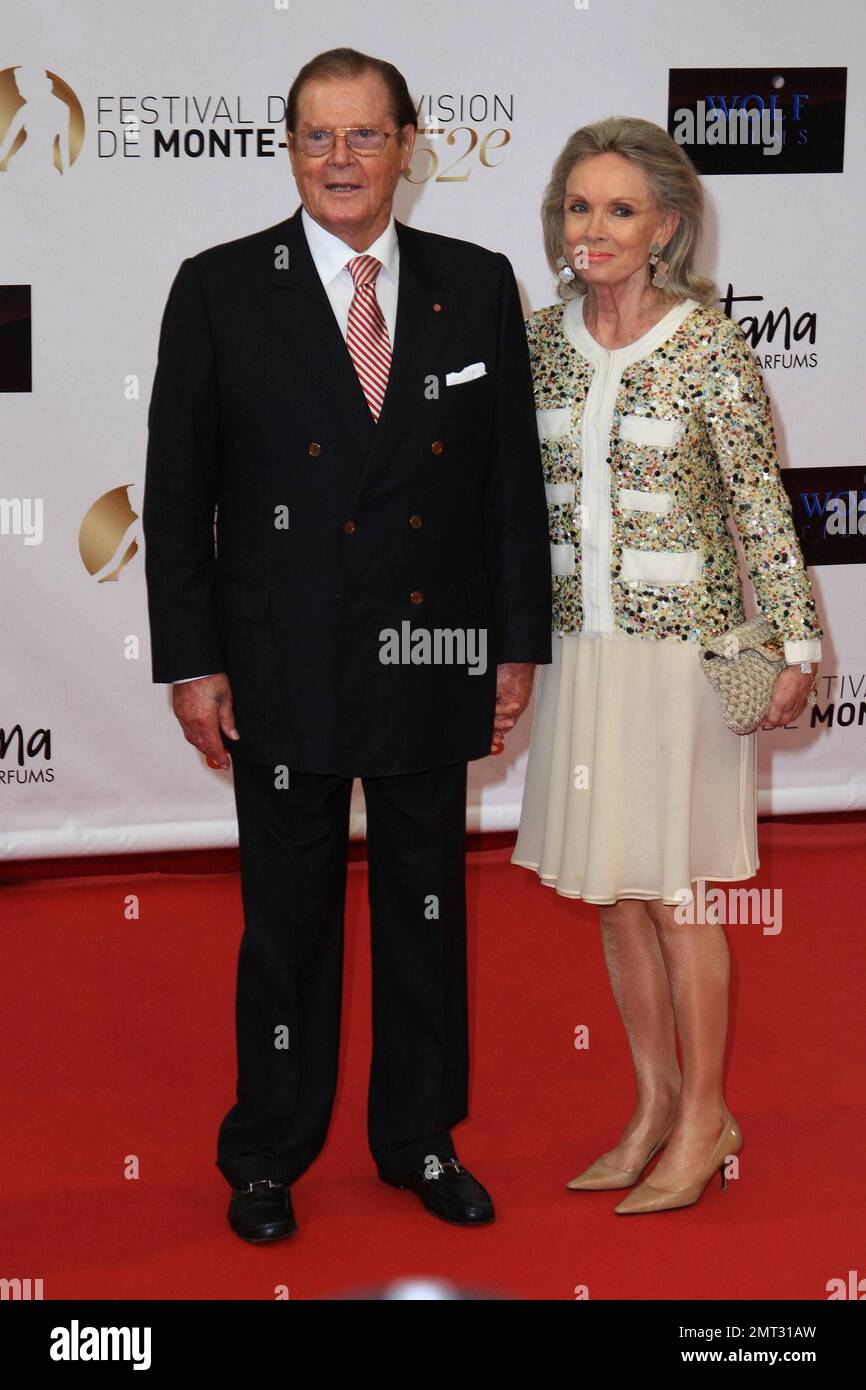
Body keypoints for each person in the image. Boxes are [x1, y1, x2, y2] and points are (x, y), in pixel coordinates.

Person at [142, 47, 551, 1242]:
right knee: (288, 923)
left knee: (426, 910)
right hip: (282, 658)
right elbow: (178, 495)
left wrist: (513, 642)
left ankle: (419, 1136)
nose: (340, 159)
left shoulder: (474, 287)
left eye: (363, 136)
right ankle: (266, 1151)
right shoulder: (218, 288)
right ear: (287, 148)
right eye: (317, 136)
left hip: (433, 654)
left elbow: (506, 490)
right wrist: (191, 656)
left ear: (408, 145)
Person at [511, 116, 823, 1214]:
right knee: (613, 896)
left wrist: (795, 642)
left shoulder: (707, 344)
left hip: (680, 663)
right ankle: (649, 1105)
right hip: (582, 652)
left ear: (665, 228)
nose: (589, 229)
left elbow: (757, 507)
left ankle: (705, 1118)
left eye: (616, 210)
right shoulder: (539, 340)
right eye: (575, 206)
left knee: (681, 895)